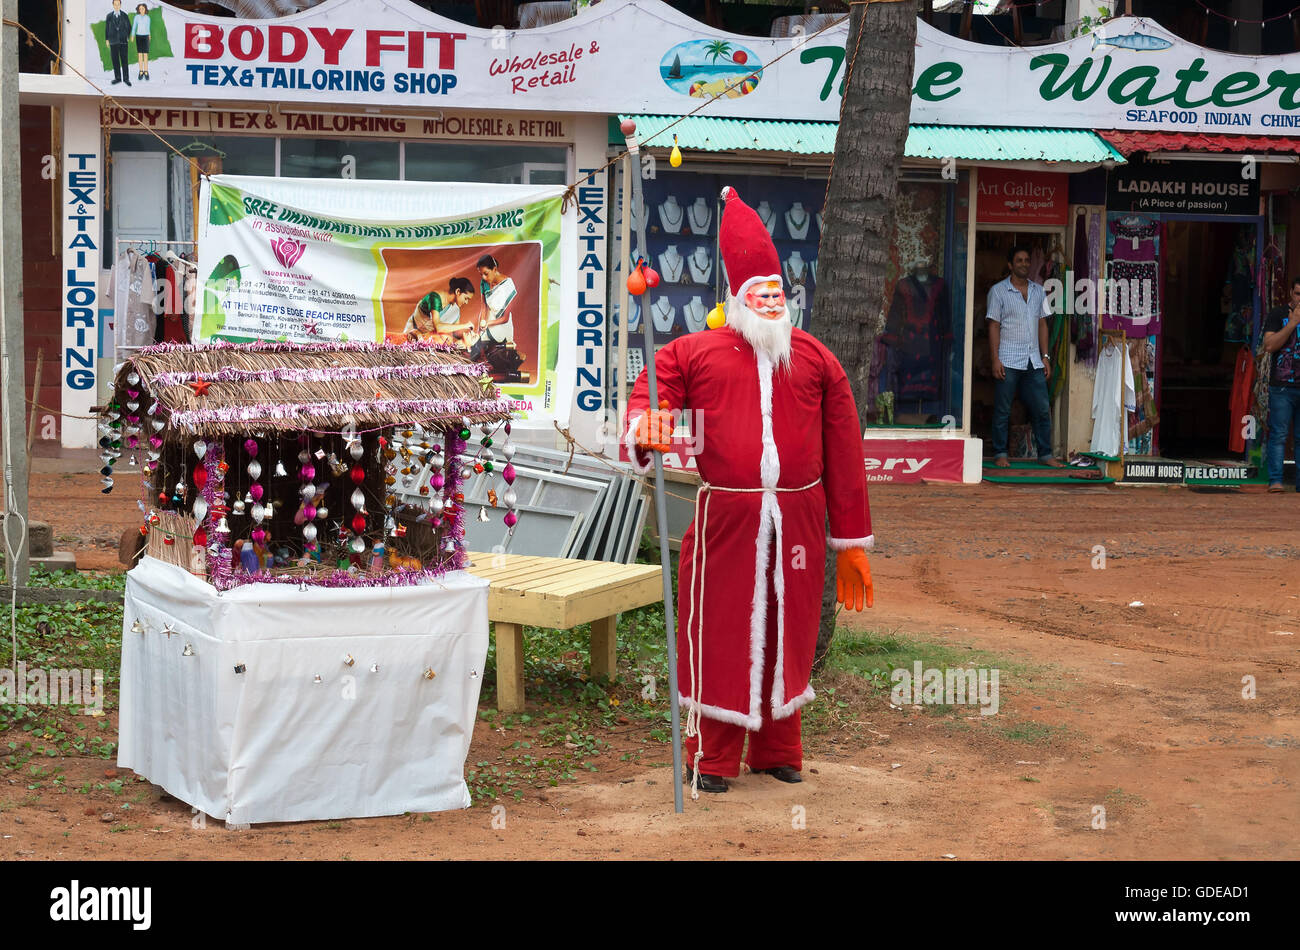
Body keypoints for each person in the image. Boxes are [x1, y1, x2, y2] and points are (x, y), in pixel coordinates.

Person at [626, 186, 874, 794]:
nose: (770, 303)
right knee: (720, 630)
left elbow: (844, 453)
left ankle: (778, 749)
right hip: (726, 521)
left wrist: (852, 544)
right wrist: (647, 424)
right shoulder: (695, 352)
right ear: (737, 300)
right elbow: (652, 388)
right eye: (758, 295)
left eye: (777, 294)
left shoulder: (816, 359)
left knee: (787, 631)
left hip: (799, 521)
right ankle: (710, 757)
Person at [986, 245, 1061, 467]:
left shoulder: (1038, 291)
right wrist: (995, 359)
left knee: (1041, 408)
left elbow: (1042, 324)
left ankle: (1045, 454)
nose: (1024, 264)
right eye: (1019, 260)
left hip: (1033, 360)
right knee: (1003, 409)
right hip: (1007, 359)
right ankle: (1000, 453)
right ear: (1010, 265)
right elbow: (993, 326)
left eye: (1027, 260)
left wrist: (1045, 356)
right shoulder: (998, 291)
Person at [1262, 277, 1300, 492]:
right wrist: (1293, 323)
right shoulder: (1278, 314)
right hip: (1282, 386)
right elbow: (1269, 345)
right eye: (1298, 294)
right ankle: (1275, 481)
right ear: (1291, 294)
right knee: (1279, 434)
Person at [471, 254, 516, 360]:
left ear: (494, 269)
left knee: (498, 358)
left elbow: (505, 319)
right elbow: (484, 308)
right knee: (474, 354)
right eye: (481, 274)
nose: (483, 277)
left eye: (486, 273)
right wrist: (480, 328)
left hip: (502, 326)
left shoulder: (508, 285)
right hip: (487, 321)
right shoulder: (484, 283)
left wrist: (487, 324)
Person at [105, 0, 132, 86]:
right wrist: (107, 39)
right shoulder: (109, 16)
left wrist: (127, 36)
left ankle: (126, 79)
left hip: (123, 41)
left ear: (120, 5)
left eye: (118, 4)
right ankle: (118, 78)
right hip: (113, 41)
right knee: (115, 60)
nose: (117, 6)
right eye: (115, 4)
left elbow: (129, 26)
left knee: (124, 60)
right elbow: (107, 28)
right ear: (113, 5)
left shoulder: (124, 15)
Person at [133, 4, 151, 80]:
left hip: (146, 36)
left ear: (145, 9)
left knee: (145, 54)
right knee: (140, 54)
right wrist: (132, 35)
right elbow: (134, 26)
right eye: (140, 9)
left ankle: (146, 71)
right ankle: (141, 71)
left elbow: (148, 27)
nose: (141, 10)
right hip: (138, 36)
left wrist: (149, 34)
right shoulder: (136, 17)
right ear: (138, 10)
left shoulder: (148, 18)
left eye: (143, 8)